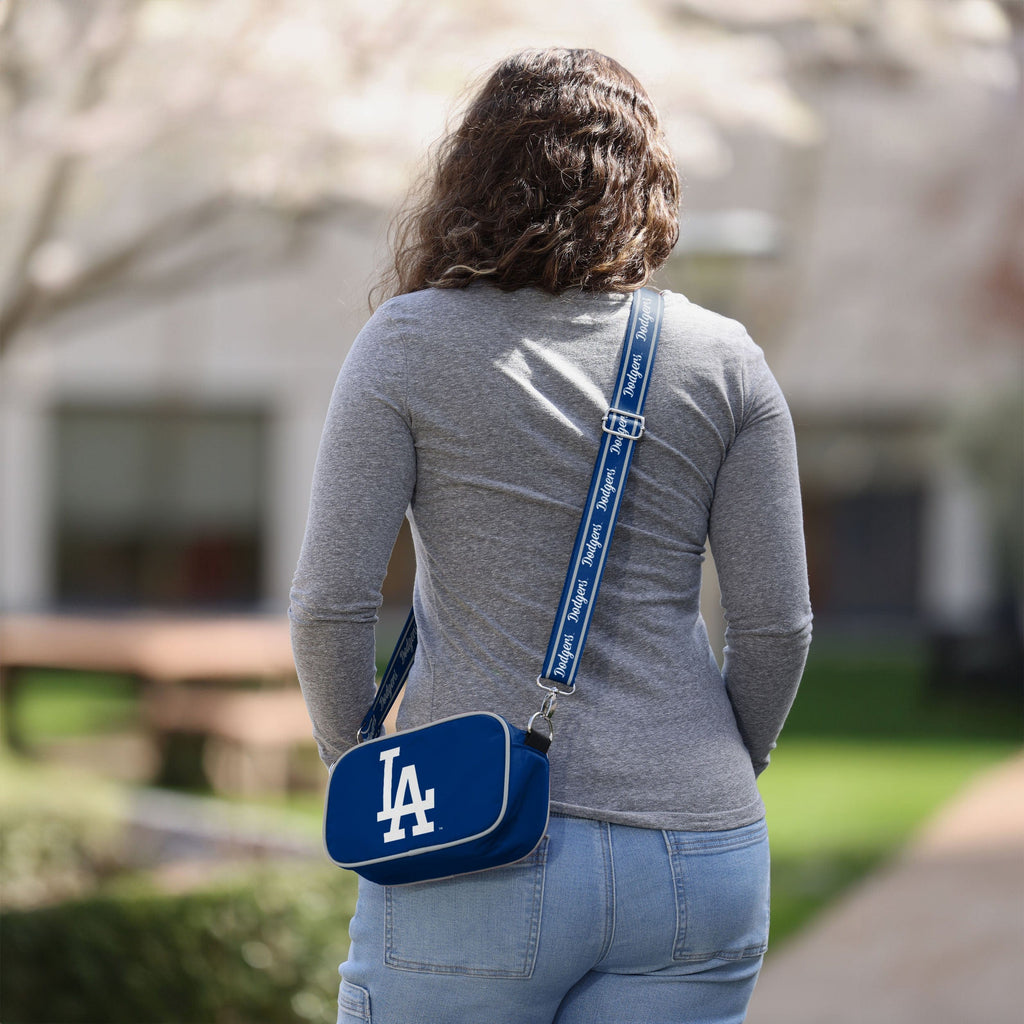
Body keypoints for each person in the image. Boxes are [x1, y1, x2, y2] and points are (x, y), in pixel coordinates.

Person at [290, 47, 812, 1024]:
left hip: (466, 835)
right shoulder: (724, 359)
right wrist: (714, 761)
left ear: (470, 179)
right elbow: (776, 627)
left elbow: (330, 608)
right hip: (696, 857)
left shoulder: (405, 345)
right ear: (648, 187)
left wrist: (358, 762)